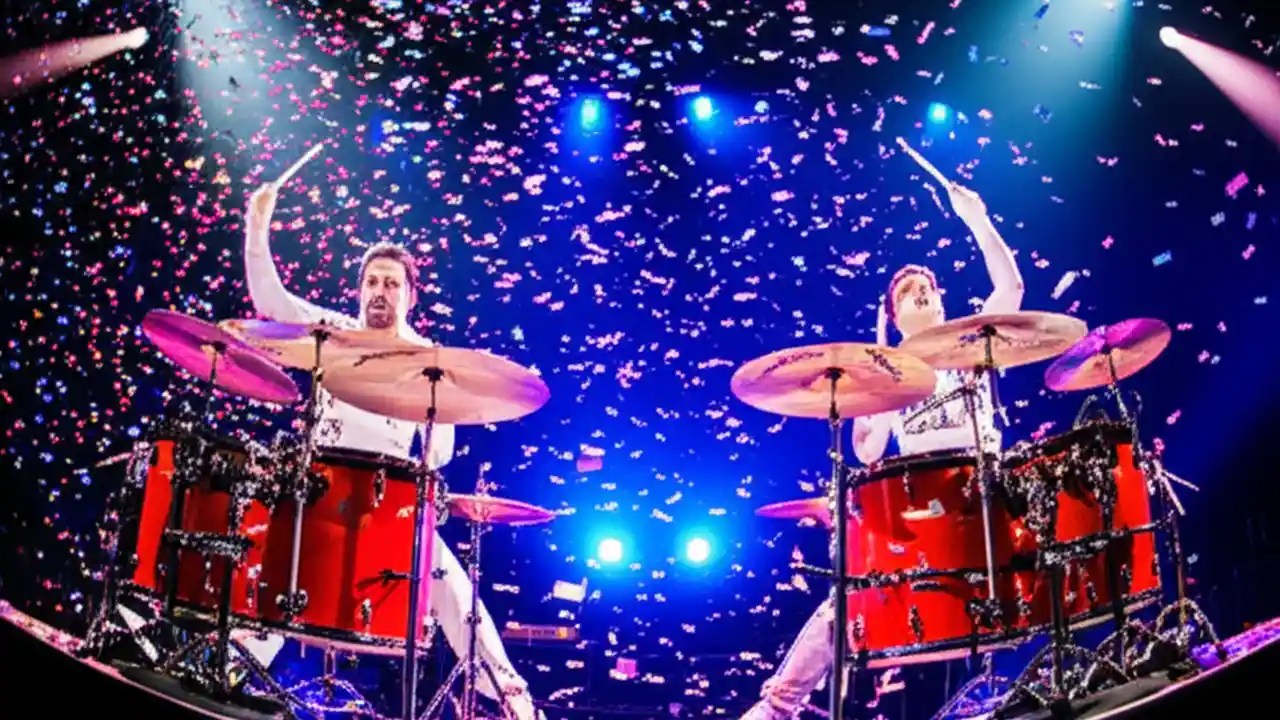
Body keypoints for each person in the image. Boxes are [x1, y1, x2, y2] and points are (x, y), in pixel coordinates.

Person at [238, 182, 543, 720]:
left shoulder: (429, 358)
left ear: (409, 295)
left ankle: (516, 701)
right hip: (320, 493)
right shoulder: (334, 334)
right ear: (359, 289)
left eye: (391, 283)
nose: (379, 291)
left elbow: (439, 456)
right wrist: (257, 227)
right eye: (372, 281)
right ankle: (232, 662)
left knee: (450, 584)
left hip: (388, 507)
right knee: (269, 554)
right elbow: (271, 302)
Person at [740, 182, 1024, 720]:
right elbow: (869, 454)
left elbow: (1010, 286)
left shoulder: (971, 344)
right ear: (893, 317)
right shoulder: (893, 378)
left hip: (984, 502)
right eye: (906, 290)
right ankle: (777, 707)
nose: (920, 291)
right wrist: (857, 397)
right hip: (920, 525)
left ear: (941, 300)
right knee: (846, 596)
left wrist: (977, 217)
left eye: (927, 286)